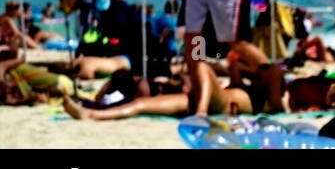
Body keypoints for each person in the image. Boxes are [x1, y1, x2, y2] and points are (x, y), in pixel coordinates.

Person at [61, 59, 256, 121]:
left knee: (200, 64)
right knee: (140, 104)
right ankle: (91, 115)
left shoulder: (273, 95)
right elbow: (236, 68)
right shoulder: (245, 84)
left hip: (222, 103)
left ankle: (201, 113)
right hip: (195, 97)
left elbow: (271, 72)